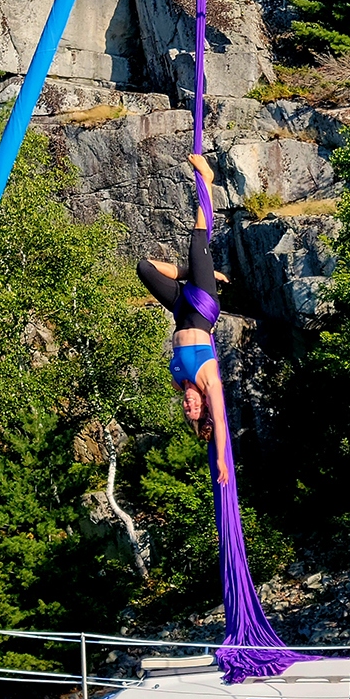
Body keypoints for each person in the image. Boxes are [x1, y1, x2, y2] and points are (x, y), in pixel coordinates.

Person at [137, 154, 229, 485]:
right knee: (197, 239)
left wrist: (194, 278)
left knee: (144, 268)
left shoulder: (178, 381)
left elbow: (147, 268)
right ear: (201, 404)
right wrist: (220, 459)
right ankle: (207, 179)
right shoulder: (209, 383)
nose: (188, 404)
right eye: (194, 408)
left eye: (185, 409)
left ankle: (198, 272)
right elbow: (219, 419)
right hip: (203, 305)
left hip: (179, 309)